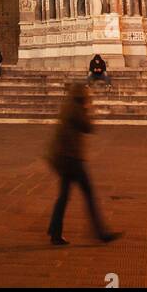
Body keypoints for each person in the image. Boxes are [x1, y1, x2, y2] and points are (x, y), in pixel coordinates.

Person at [46, 83, 121, 247]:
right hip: (73, 160)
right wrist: (88, 108)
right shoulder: (77, 110)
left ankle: (55, 231)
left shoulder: (68, 107)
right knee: (88, 195)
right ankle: (101, 233)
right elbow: (88, 127)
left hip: (64, 158)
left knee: (63, 197)